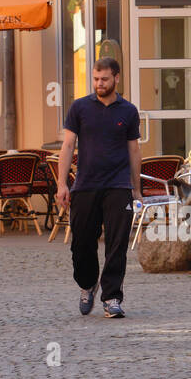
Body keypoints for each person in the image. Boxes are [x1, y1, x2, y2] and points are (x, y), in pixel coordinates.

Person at [56, 57, 142, 319]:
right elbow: (68, 146)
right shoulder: (80, 108)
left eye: (104, 79)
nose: (99, 84)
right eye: (95, 79)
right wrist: (62, 183)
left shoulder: (128, 111)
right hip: (85, 186)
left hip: (118, 185)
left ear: (116, 78)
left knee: (116, 244)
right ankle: (87, 284)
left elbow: (134, 150)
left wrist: (136, 189)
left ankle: (112, 297)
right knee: (81, 244)